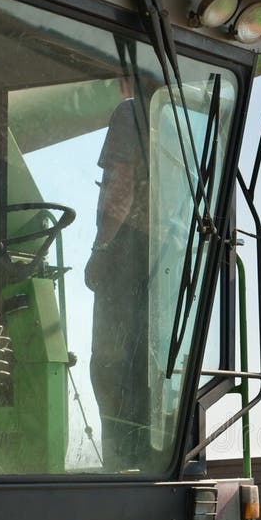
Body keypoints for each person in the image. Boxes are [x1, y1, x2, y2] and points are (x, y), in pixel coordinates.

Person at [85, 77, 150, 471]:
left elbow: (120, 186)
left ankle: (119, 459)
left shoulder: (129, 113)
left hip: (126, 257)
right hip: (162, 265)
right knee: (145, 368)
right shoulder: (176, 121)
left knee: (108, 363)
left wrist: (101, 250)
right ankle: (143, 455)